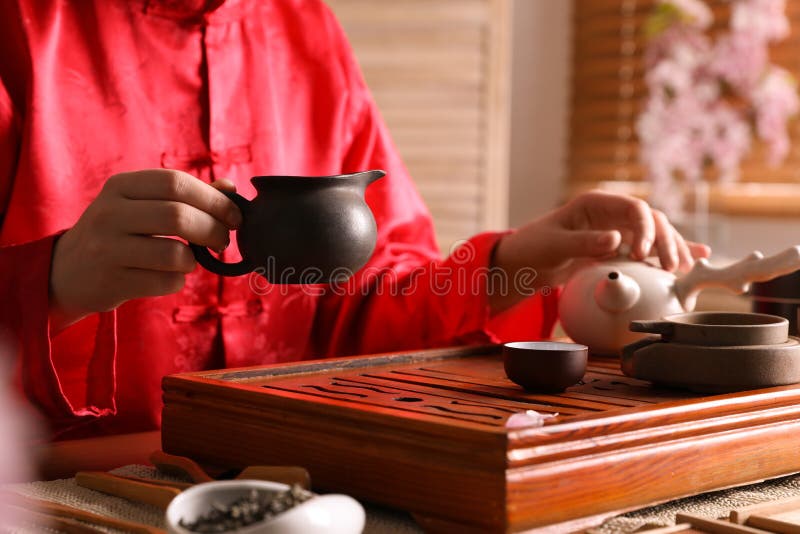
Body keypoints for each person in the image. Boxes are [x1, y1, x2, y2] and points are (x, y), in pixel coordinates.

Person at [0, 0, 709, 439]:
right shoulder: (22, 28)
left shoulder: (304, 27)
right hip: (61, 485)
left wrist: (518, 264)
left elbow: (363, 301)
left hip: (298, 477)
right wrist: (53, 286)